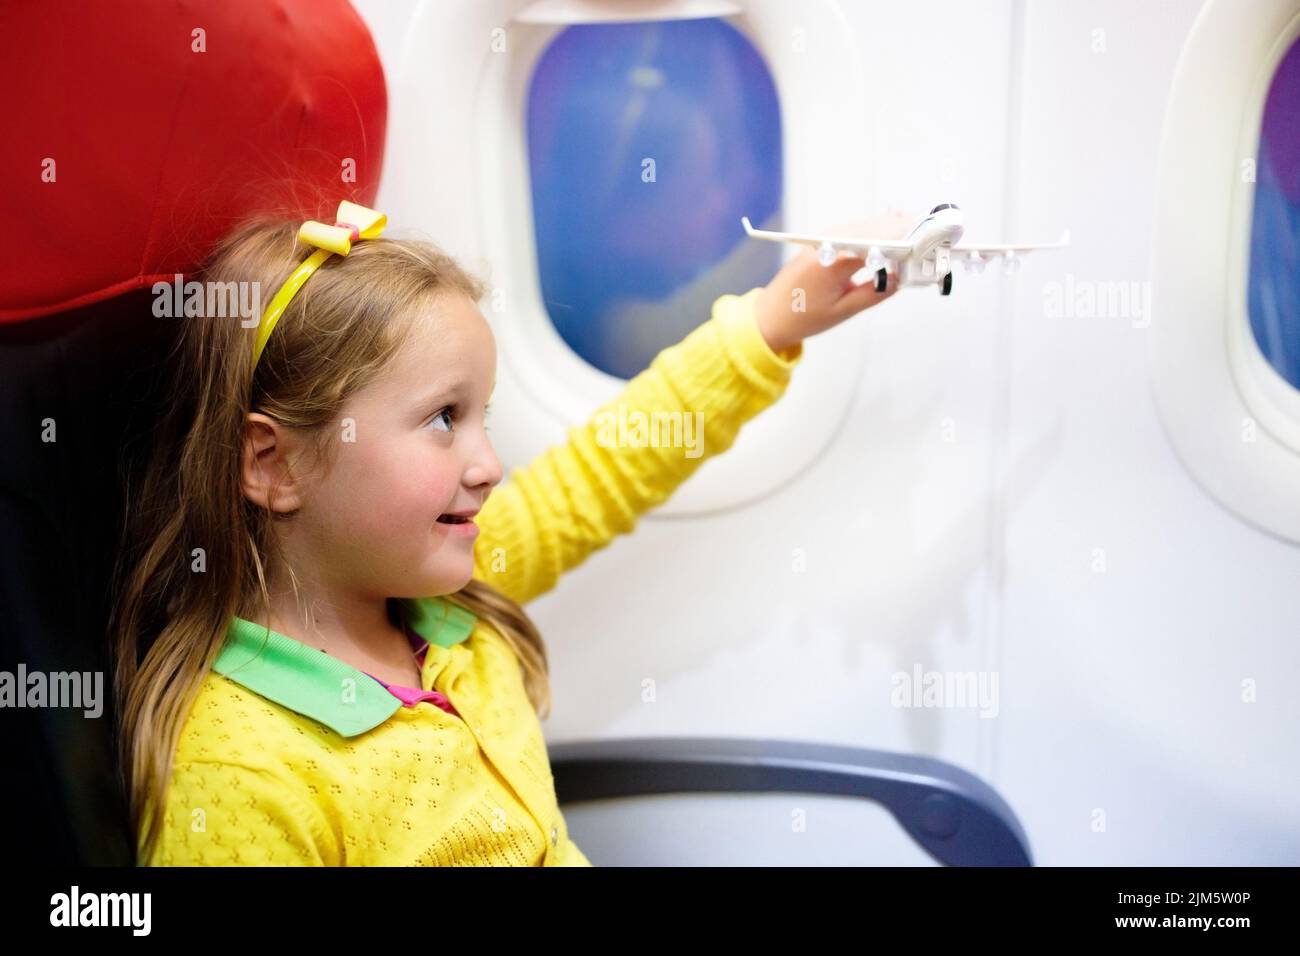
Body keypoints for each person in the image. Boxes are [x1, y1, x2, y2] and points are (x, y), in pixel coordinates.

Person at [113, 201, 901, 866]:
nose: (488, 466)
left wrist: (770, 321)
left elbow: (604, 471)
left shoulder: (453, 607)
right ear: (275, 465)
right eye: (442, 419)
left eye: (480, 416)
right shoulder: (240, 768)